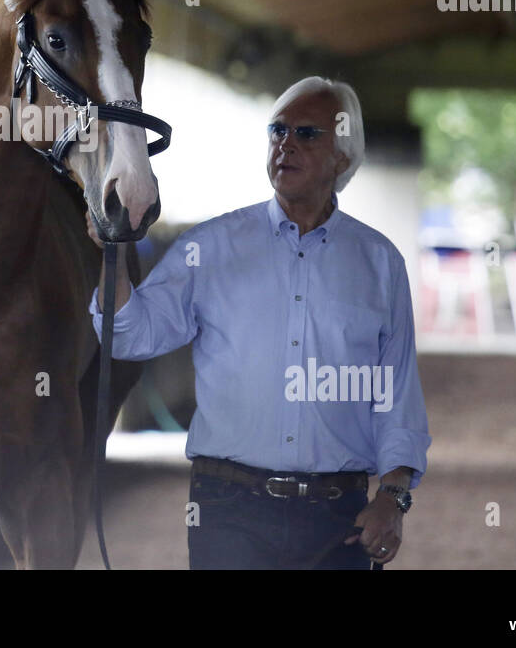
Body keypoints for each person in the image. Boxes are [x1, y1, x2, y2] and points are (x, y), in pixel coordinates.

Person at [89, 76, 431, 569]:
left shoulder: (380, 264)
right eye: (277, 131)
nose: (284, 144)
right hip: (228, 510)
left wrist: (393, 499)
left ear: (342, 155)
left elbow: (398, 399)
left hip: (340, 520)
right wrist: (115, 249)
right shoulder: (209, 246)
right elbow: (128, 334)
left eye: (306, 134)